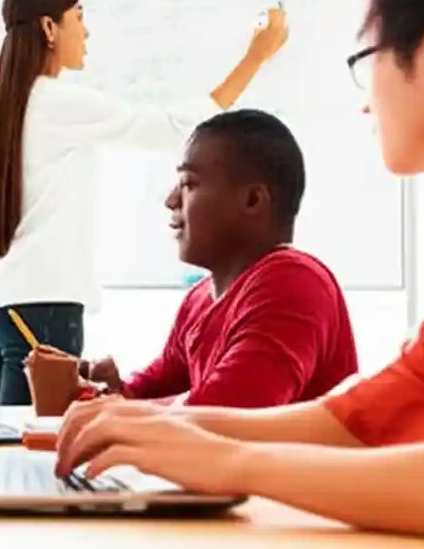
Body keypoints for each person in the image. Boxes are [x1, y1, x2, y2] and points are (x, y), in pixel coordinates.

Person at [54, 0, 424, 546]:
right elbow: (353, 420)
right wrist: (163, 429)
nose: (366, 103)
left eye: (371, 59)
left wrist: (229, 460)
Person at [0, 0, 289, 406]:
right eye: (78, 17)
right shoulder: (57, 102)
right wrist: (256, 57)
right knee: (34, 455)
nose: (86, 31)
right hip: (40, 307)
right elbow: (175, 127)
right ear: (49, 28)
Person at [29, 109, 358, 410]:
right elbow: (152, 392)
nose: (171, 200)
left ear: (253, 200)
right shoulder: (200, 299)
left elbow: (227, 412)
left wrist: (113, 408)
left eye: (188, 184)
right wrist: (103, 389)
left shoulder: (294, 283)